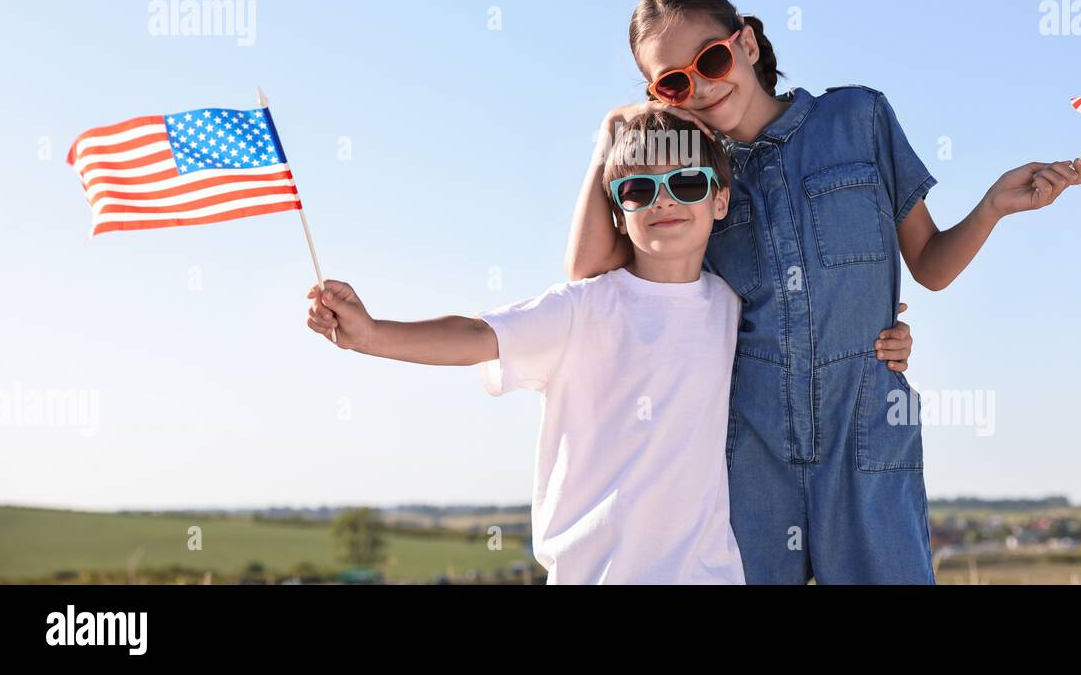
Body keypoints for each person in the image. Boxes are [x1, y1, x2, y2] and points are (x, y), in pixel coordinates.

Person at [565, 0, 1081, 584]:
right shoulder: (690, 182)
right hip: (745, 449)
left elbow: (932, 266)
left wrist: (993, 205)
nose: (703, 87)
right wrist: (609, 136)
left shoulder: (858, 118)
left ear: (749, 44)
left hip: (866, 434)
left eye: (711, 59)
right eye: (674, 82)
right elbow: (589, 274)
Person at [305, 109, 914, 583]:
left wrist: (880, 340)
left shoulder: (733, 308)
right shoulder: (582, 309)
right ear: (618, 214)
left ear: (721, 199)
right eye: (638, 191)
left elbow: (809, 336)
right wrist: (374, 335)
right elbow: (476, 334)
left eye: (685, 181)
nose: (664, 200)